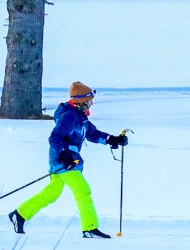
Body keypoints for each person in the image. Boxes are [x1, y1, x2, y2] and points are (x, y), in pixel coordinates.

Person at [10, 82, 127, 239]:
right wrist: (64, 154)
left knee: (52, 194)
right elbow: (54, 137)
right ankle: (89, 228)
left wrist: (112, 139)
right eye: (90, 100)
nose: (92, 103)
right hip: (64, 160)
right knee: (83, 191)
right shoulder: (69, 116)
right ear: (81, 101)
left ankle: (20, 214)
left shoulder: (79, 116)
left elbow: (92, 133)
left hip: (68, 160)